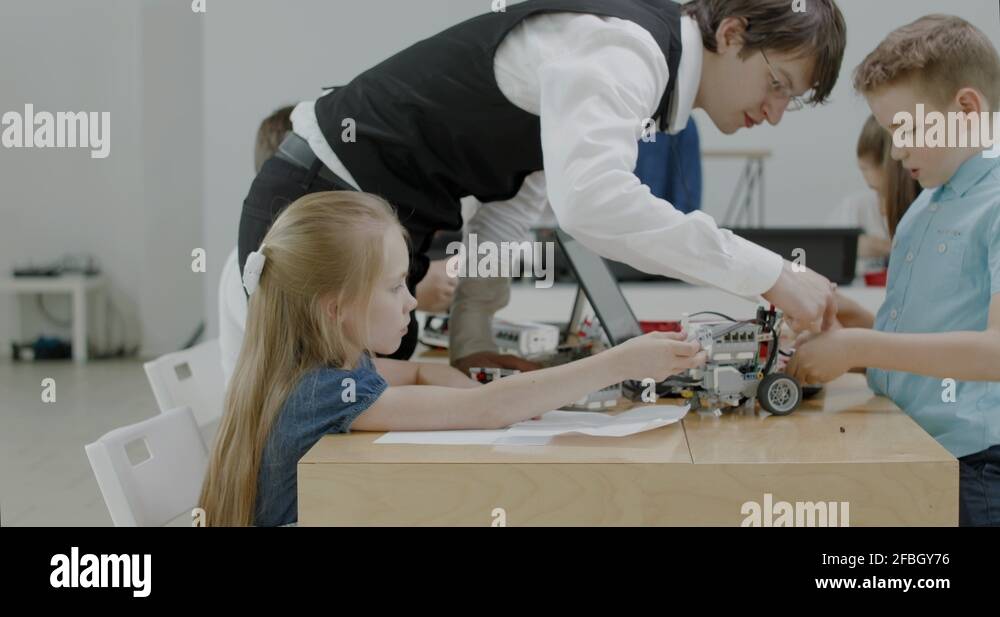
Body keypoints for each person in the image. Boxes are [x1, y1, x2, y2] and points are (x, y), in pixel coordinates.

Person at [200, 191, 707, 526]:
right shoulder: (325, 392)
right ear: (336, 308)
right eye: (395, 287)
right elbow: (485, 411)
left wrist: (494, 396)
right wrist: (619, 363)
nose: (411, 301)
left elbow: (428, 372)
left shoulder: (322, 368)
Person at [788, 15, 1000, 526]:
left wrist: (860, 347)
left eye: (906, 130)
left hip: (975, 467)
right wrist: (855, 323)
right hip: (913, 445)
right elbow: (933, 338)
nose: (898, 150)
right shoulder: (925, 205)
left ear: (967, 109)